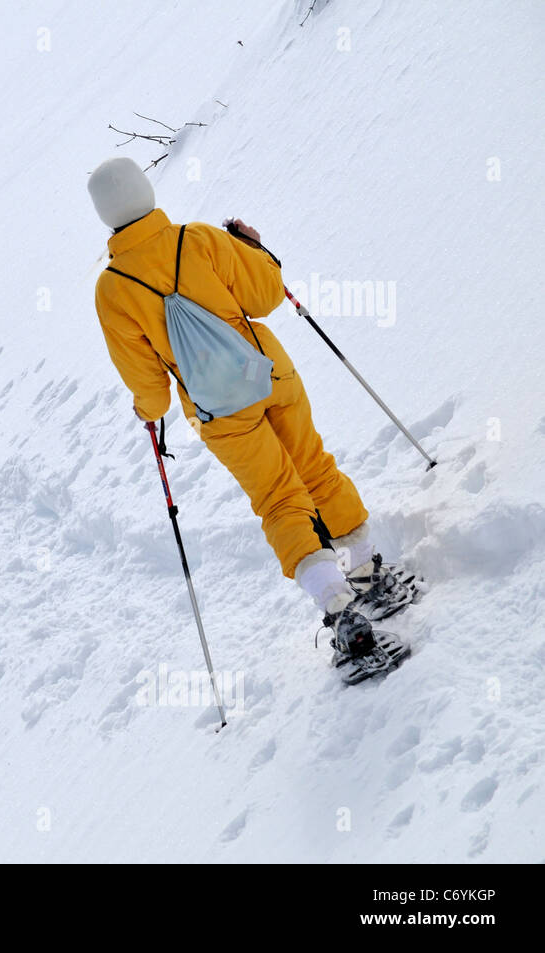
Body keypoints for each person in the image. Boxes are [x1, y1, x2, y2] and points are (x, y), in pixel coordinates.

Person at [86, 156, 416, 665]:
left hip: (218, 411)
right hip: (269, 372)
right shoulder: (196, 239)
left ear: (104, 215)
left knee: (279, 498)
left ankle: (340, 610)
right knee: (315, 470)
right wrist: (254, 248)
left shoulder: (111, 291)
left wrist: (148, 413)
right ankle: (370, 576)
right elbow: (264, 296)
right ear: (147, 191)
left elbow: (146, 381)